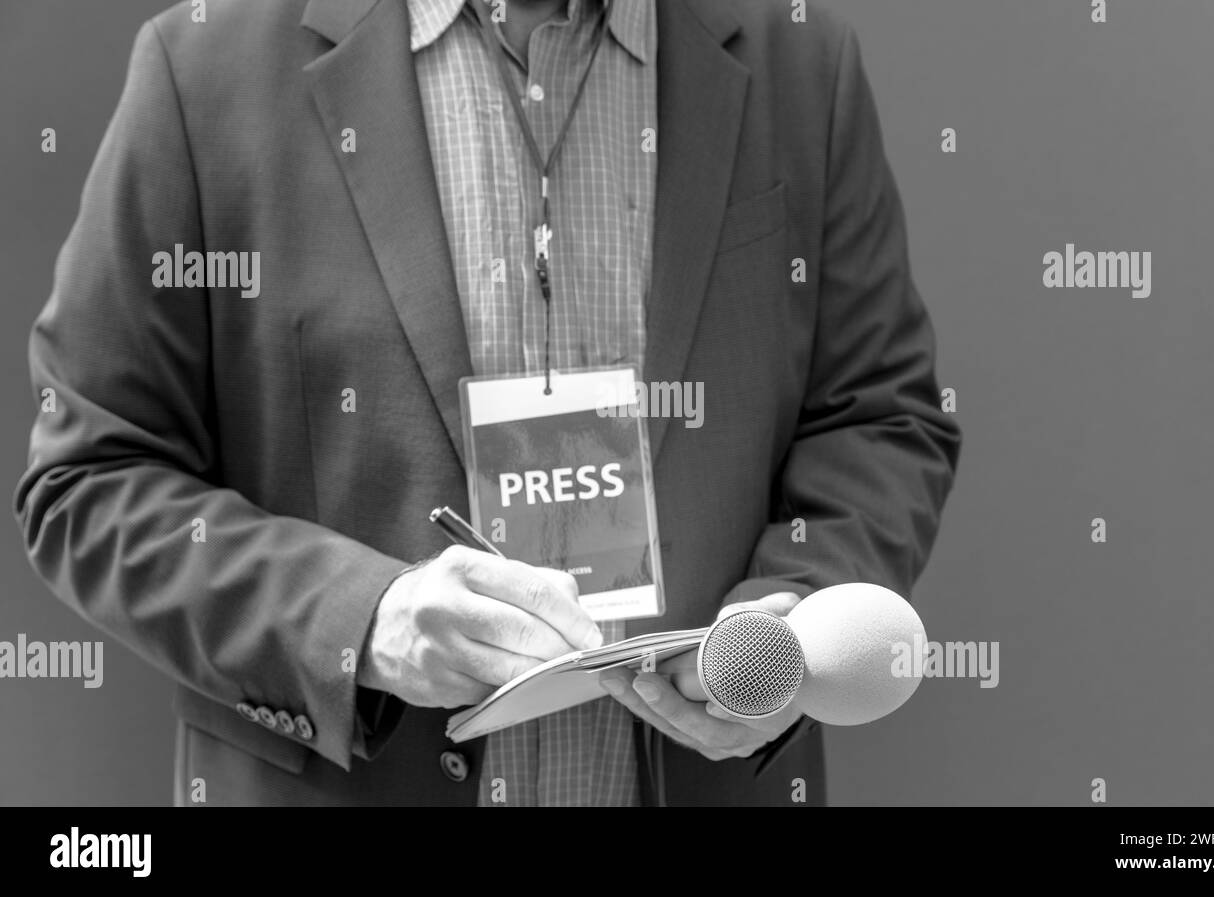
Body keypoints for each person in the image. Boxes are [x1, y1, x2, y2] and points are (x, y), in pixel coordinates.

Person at [15, 0, 960, 806]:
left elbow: (879, 415)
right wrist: (363, 619)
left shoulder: (800, 58)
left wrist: (785, 630)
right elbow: (90, 478)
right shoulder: (204, 66)